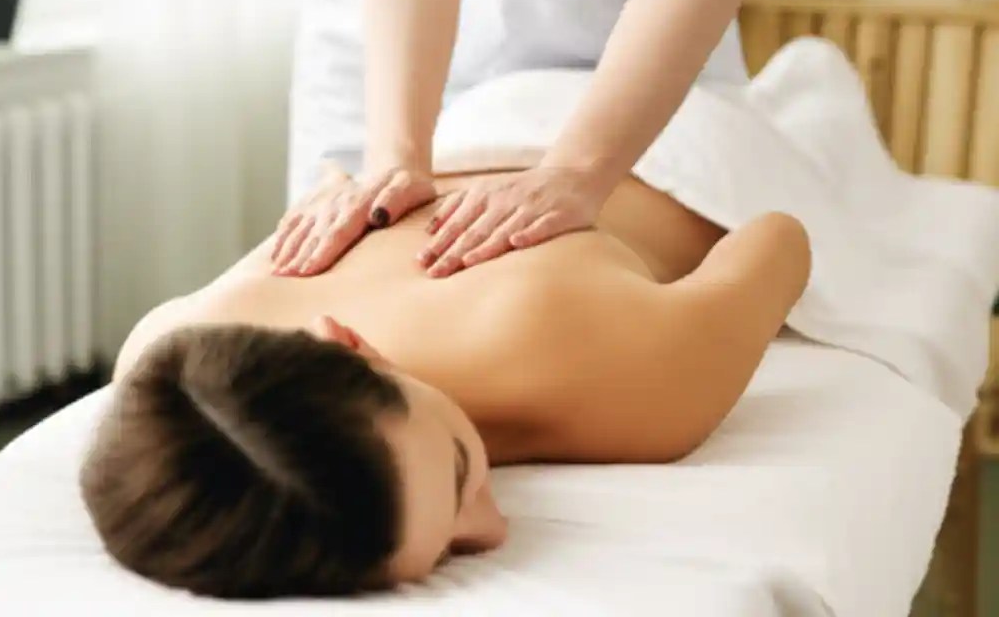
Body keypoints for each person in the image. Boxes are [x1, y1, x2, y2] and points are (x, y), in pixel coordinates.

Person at [80, 165, 811, 598]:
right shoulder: (169, 365)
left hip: (655, 141)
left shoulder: (636, 381)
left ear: (357, 348)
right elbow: (333, 182)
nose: (491, 530)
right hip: (433, 125)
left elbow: (779, 236)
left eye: (463, 469)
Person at [281, 0, 783, 278]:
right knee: (334, 251)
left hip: (655, 63)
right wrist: (393, 157)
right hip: (404, 41)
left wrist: (579, 169)